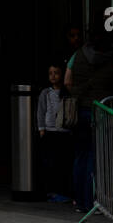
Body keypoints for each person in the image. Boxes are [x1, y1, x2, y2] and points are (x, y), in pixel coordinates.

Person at [65, 26, 113, 213]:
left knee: (81, 156)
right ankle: (94, 201)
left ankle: (80, 201)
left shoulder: (78, 54)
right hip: (104, 111)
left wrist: (79, 95)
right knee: (98, 158)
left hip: (80, 111)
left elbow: (67, 81)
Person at [36, 63, 73, 202]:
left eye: (56, 73)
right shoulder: (45, 92)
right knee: (50, 163)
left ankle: (63, 192)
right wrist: (41, 129)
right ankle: (52, 192)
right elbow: (41, 111)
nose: (53, 76)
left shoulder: (67, 91)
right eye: (50, 73)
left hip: (64, 131)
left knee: (63, 163)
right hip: (50, 131)